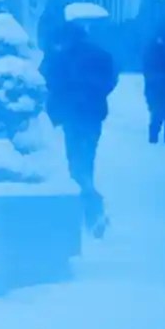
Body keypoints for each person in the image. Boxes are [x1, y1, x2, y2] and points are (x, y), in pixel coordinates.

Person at [40, 21, 118, 239]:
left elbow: (47, 81)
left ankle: (93, 210)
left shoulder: (61, 57)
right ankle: (90, 209)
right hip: (92, 114)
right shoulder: (99, 54)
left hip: (72, 116)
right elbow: (111, 80)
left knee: (76, 163)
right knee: (86, 159)